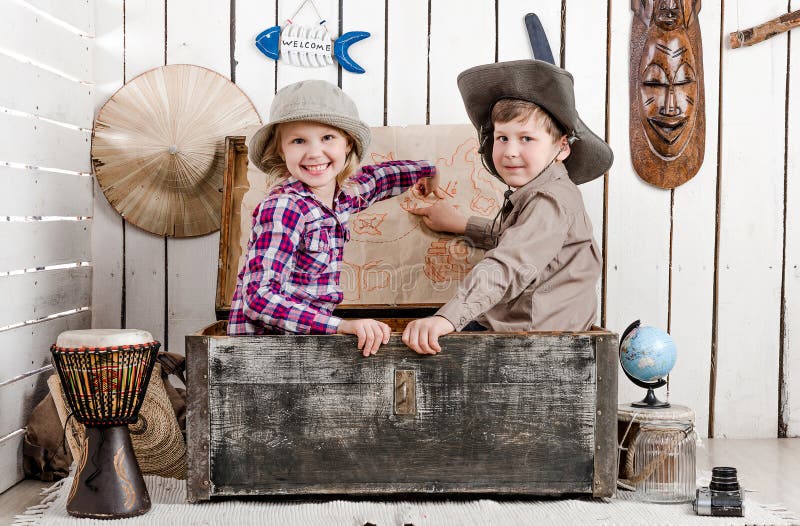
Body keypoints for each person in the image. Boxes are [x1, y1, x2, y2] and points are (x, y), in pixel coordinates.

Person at [402, 59, 614, 355]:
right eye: (502, 138)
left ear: (562, 147)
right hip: (532, 328)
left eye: (526, 138)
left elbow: (509, 263)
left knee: (421, 346)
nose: (510, 152)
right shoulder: (543, 190)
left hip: (533, 342)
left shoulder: (549, 200)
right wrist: (462, 225)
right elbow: (518, 237)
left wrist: (446, 317)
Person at [228, 80, 442, 357]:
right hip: (263, 351)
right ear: (281, 150)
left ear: (347, 144)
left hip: (306, 344)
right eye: (298, 140)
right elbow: (259, 298)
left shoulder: (341, 197)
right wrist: (341, 325)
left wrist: (428, 170)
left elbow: (377, 179)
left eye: (327, 138)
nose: (315, 153)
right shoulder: (284, 207)